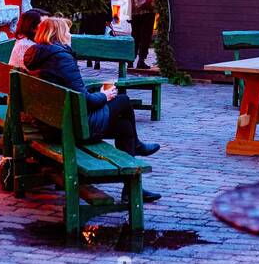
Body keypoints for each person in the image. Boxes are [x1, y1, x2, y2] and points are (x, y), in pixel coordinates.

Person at [23, 16, 160, 200]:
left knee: (124, 127)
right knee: (123, 101)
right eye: (67, 31)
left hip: (50, 124)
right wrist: (105, 95)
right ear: (58, 34)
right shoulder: (61, 58)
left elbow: (72, 91)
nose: (70, 35)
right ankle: (136, 151)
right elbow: (85, 101)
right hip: (72, 127)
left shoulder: (36, 55)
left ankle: (131, 186)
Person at [126, 0, 158, 71]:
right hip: (148, 10)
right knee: (146, 36)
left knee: (135, 36)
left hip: (135, 12)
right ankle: (141, 60)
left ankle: (130, 61)